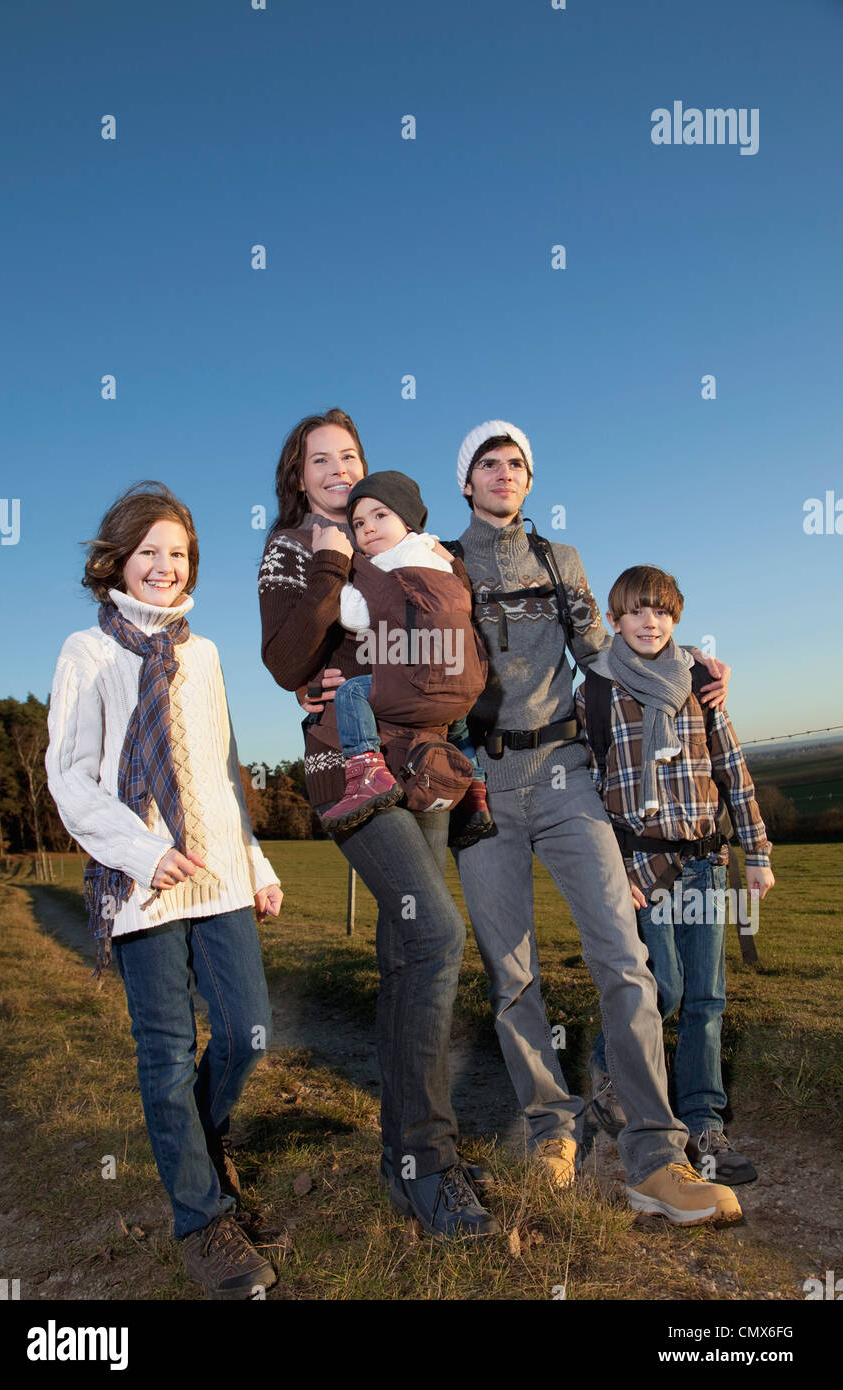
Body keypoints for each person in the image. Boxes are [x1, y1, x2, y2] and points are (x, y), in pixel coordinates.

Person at [450, 419, 743, 1225]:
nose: (504, 474)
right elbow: (401, 658)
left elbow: (606, 655)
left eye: (517, 464)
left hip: (567, 777)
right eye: (488, 462)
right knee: (513, 976)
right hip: (482, 787)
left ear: (529, 482)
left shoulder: (560, 562)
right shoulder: (440, 567)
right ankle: (552, 1127)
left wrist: (691, 669)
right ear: (466, 482)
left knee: (624, 960)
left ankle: (657, 1153)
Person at [258, 410, 499, 1240]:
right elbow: (290, 661)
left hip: (421, 760)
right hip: (348, 766)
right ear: (298, 475)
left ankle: (410, 1158)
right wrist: (330, 565)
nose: (336, 469)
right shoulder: (296, 547)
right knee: (436, 937)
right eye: (319, 459)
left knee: (408, 954)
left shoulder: (383, 535)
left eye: (349, 457)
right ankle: (427, 1160)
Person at [46, 481, 282, 1299]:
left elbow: (221, 771)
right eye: (149, 551)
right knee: (169, 1051)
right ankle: (202, 1219)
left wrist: (256, 864)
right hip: (140, 885)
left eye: (177, 553)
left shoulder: (204, 654)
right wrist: (145, 854)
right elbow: (71, 780)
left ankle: (198, 1144)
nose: (164, 565)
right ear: (117, 559)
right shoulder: (88, 652)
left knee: (250, 1030)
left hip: (216, 875)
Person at [576, 564, 774, 1184]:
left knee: (708, 998)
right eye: (636, 611)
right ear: (614, 620)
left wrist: (758, 851)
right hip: (641, 864)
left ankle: (704, 1125)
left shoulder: (699, 683)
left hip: (704, 864)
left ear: (676, 619)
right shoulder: (598, 691)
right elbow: (586, 786)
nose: (649, 621)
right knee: (662, 991)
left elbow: (731, 769)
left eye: (661, 611)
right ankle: (610, 1072)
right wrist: (613, 869)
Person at [321, 468, 493, 844]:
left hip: (418, 684)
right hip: (465, 684)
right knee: (457, 724)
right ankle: (476, 791)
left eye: (381, 515)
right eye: (359, 523)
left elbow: (352, 616)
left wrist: (342, 566)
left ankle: (367, 771)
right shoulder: (440, 557)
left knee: (352, 693)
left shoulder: (389, 564)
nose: (368, 528)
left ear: (408, 520)